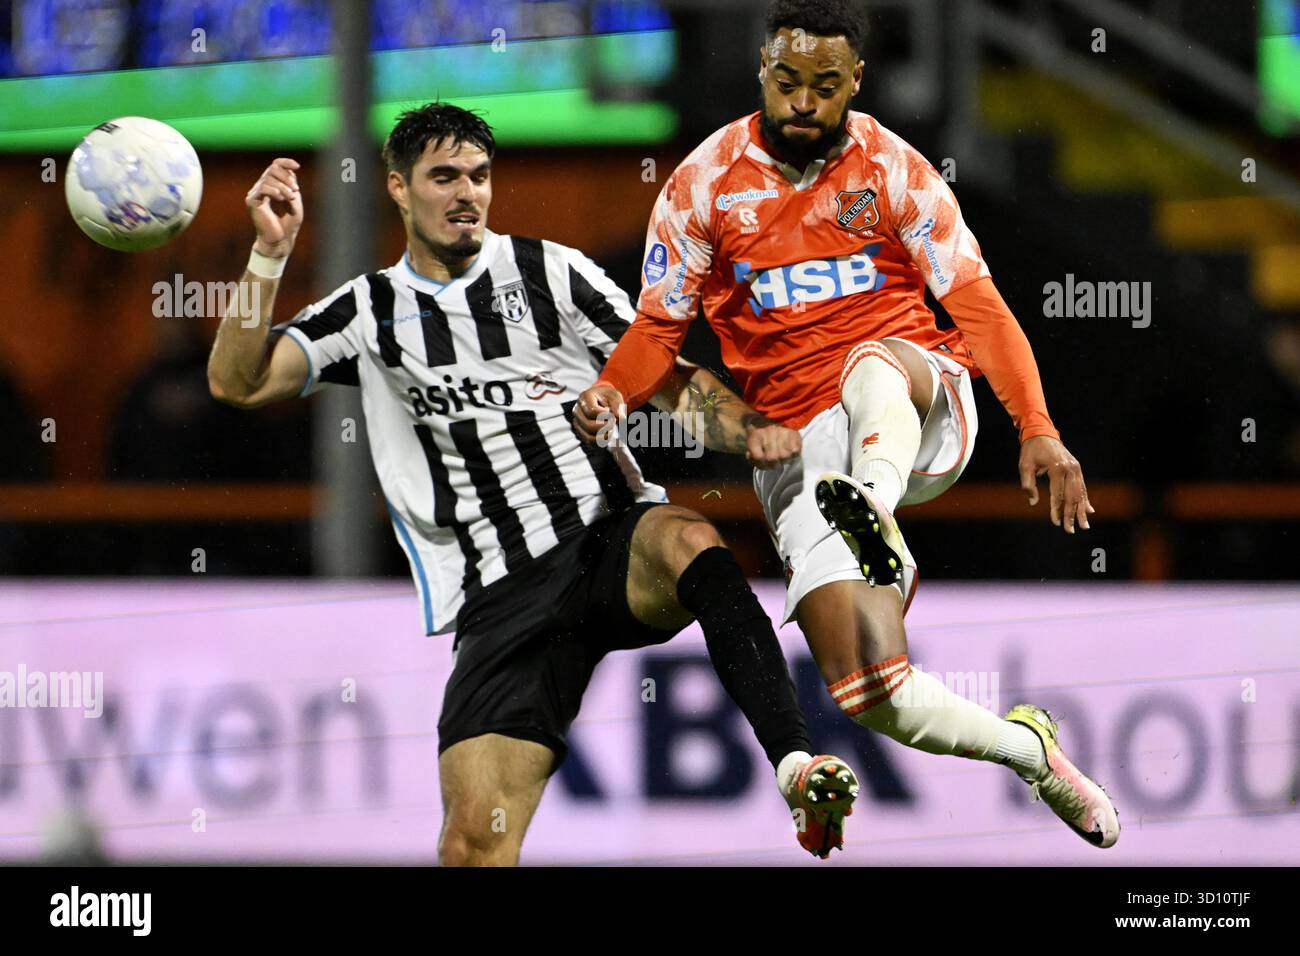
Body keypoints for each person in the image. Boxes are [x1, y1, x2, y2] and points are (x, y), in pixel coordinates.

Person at [206, 102, 860, 864]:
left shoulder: (554, 273)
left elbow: (671, 383)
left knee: (687, 537)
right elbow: (237, 381)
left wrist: (749, 431)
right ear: (396, 187)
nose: (466, 193)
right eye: (443, 176)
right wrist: (268, 255)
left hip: (602, 540)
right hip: (499, 599)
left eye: (479, 176)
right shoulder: (370, 310)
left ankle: (794, 765)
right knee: (470, 845)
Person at [576, 0, 1119, 847]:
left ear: (854, 82)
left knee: (870, 361)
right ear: (763, 69)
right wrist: (615, 391)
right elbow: (658, 329)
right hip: (799, 453)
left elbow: (976, 303)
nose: (802, 102)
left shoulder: (892, 169)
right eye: (787, 82)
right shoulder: (704, 183)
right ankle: (1031, 751)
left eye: (824, 87)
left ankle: (873, 508)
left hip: (915, 400)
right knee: (872, 691)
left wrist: (1039, 426)